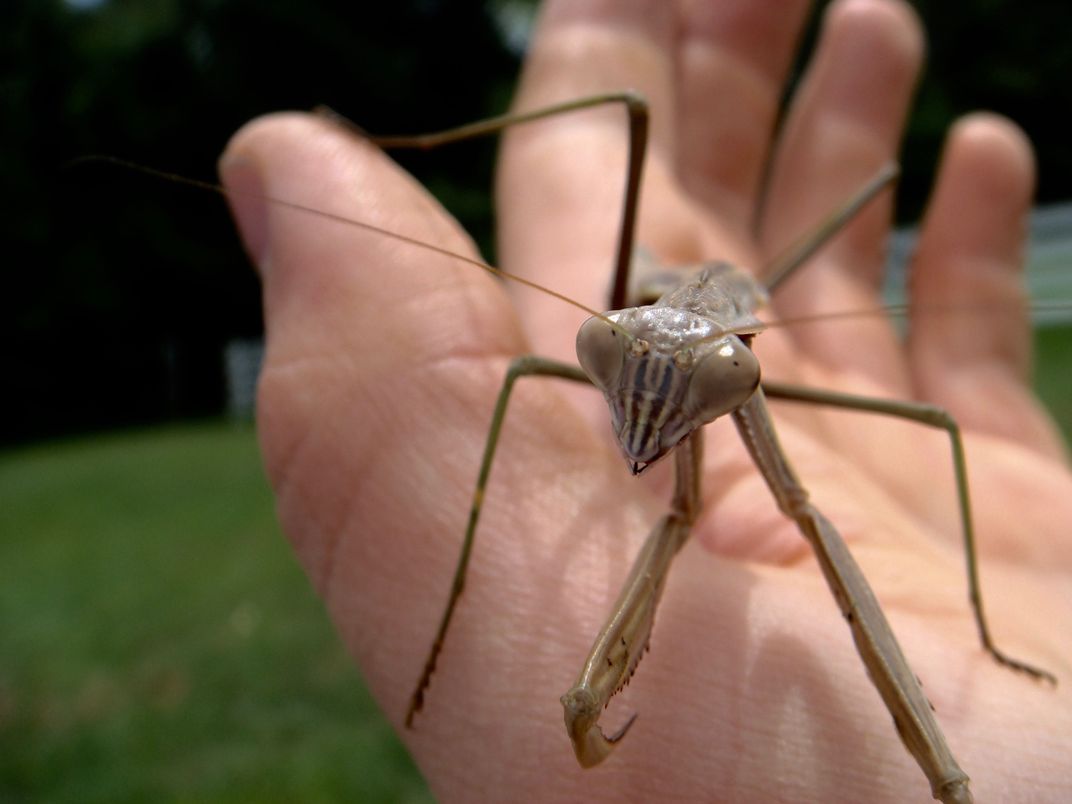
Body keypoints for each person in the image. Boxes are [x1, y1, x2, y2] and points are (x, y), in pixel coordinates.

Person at [220, 0, 1072, 800]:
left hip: (703, 311)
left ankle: (961, 733)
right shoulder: (639, 326)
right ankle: (413, 141)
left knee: (903, 422)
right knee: (623, 133)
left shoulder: (731, 351)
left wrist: (985, 638)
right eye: (612, 356)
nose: (645, 425)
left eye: (719, 375)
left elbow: (705, 497)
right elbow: (531, 382)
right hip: (655, 291)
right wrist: (457, 599)